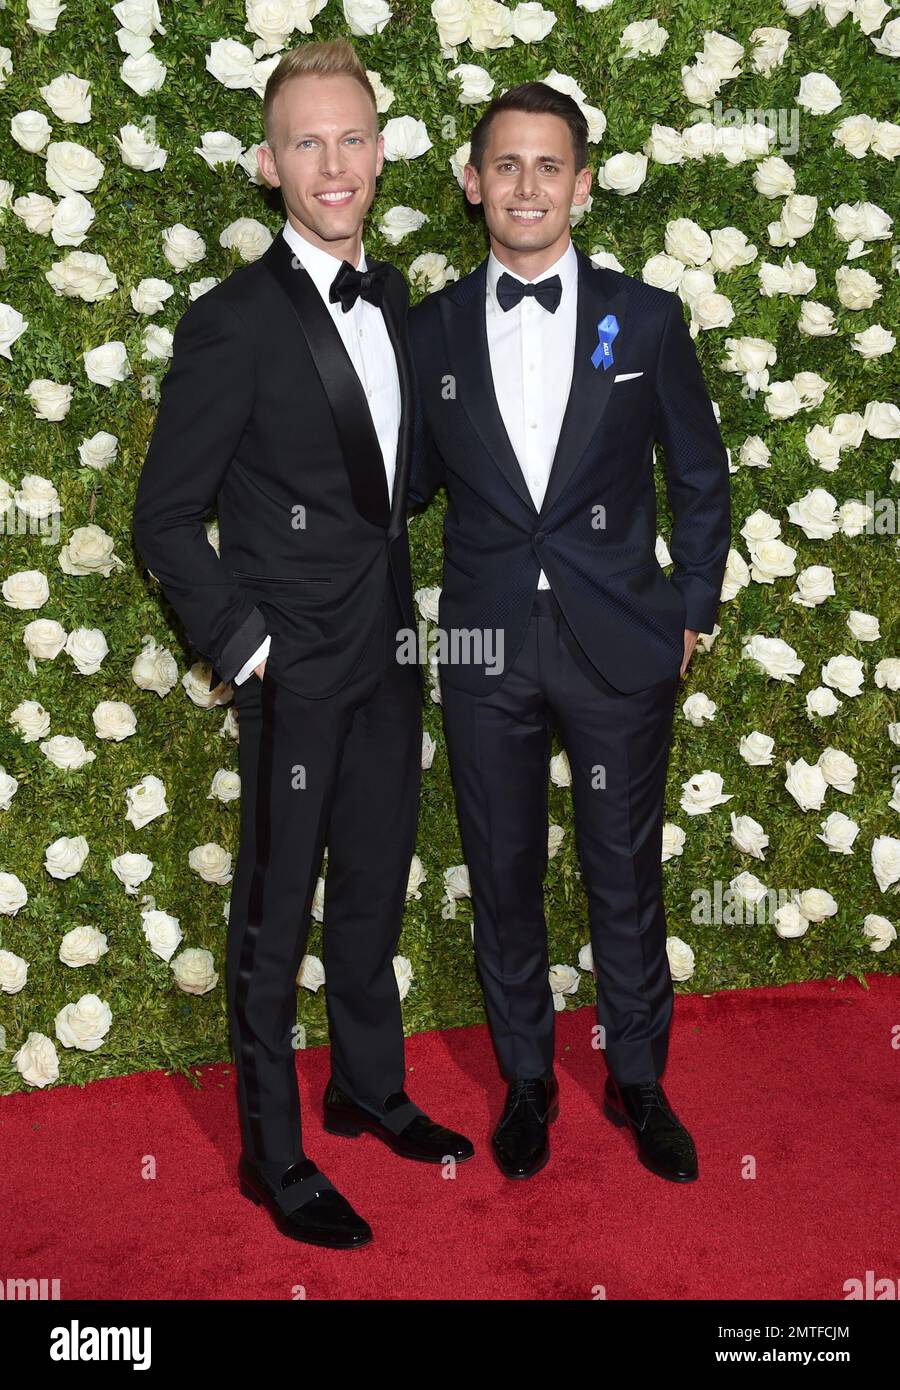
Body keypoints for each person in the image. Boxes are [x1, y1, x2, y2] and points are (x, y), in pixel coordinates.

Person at [132, 38, 473, 1251]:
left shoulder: (401, 308)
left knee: (375, 888)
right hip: (294, 670)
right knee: (275, 920)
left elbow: (401, 487)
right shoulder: (232, 322)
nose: (334, 164)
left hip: (387, 653)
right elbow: (164, 516)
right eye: (307, 143)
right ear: (267, 166)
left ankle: (367, 1089)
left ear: (380, 152)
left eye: (352, 138)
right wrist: (247, 644)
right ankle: (273, 1157)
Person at [407, 82, 731, 1184]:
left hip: (621, 647)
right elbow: (396, 486)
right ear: (472, 184)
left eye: (550, 167)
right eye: (507, 165)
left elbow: (699, 473)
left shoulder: (645, 320)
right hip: (487, 646)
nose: (528, 186)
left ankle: (640, 1080)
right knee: (500, 871)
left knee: (622, 871)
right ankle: (529, 1082)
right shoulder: (432, 326)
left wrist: (691, 613)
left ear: (582, 186)